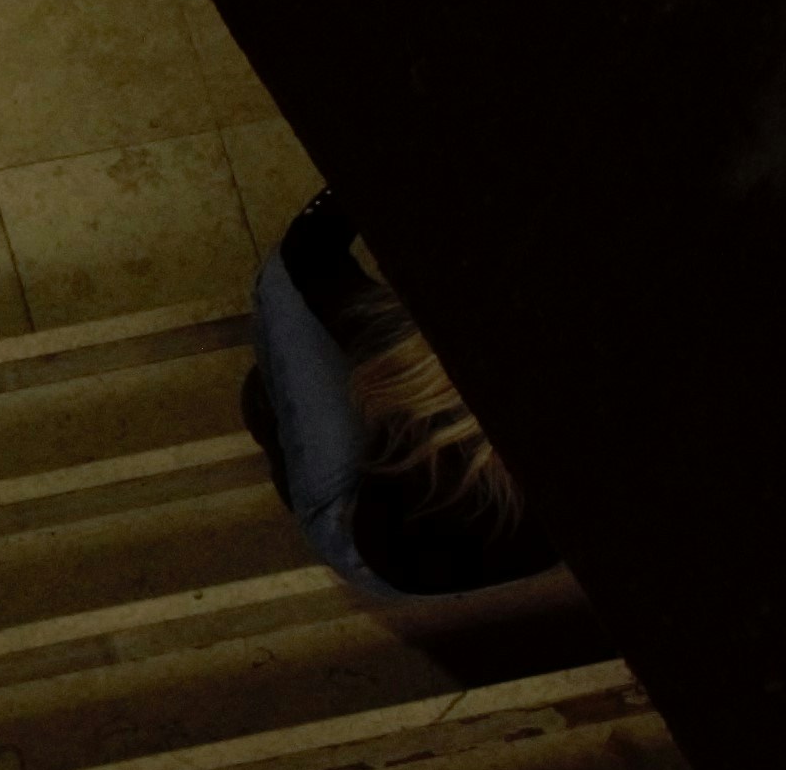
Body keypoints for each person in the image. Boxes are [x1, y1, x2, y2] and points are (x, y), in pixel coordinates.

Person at [242, 196, 590, 650]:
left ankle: (280, 435)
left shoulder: (430, 370)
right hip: (527, 552)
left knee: (283, 285)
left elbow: (308, 251)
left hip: (372, 546)